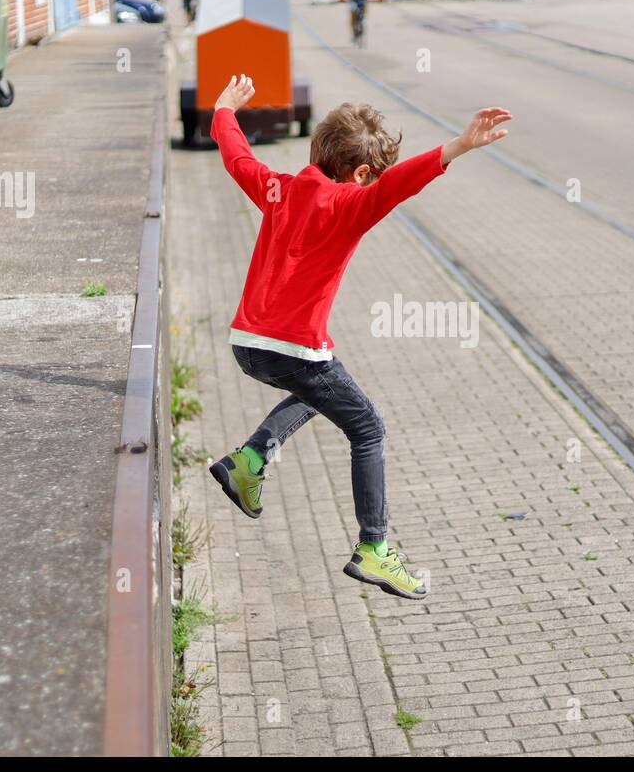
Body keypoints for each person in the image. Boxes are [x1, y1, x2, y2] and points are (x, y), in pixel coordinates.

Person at [207, 74, 512, 599]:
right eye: (373, 179)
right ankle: (374, 548)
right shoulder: (351, 203)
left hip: (247, 345)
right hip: (291, 351)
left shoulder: (279, 189)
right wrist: (458, 146)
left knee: (323, 379)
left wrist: (222, 110)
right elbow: (402, 183)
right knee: (367, 428)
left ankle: (249, 460)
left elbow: (239, 158)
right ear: (363, 172)